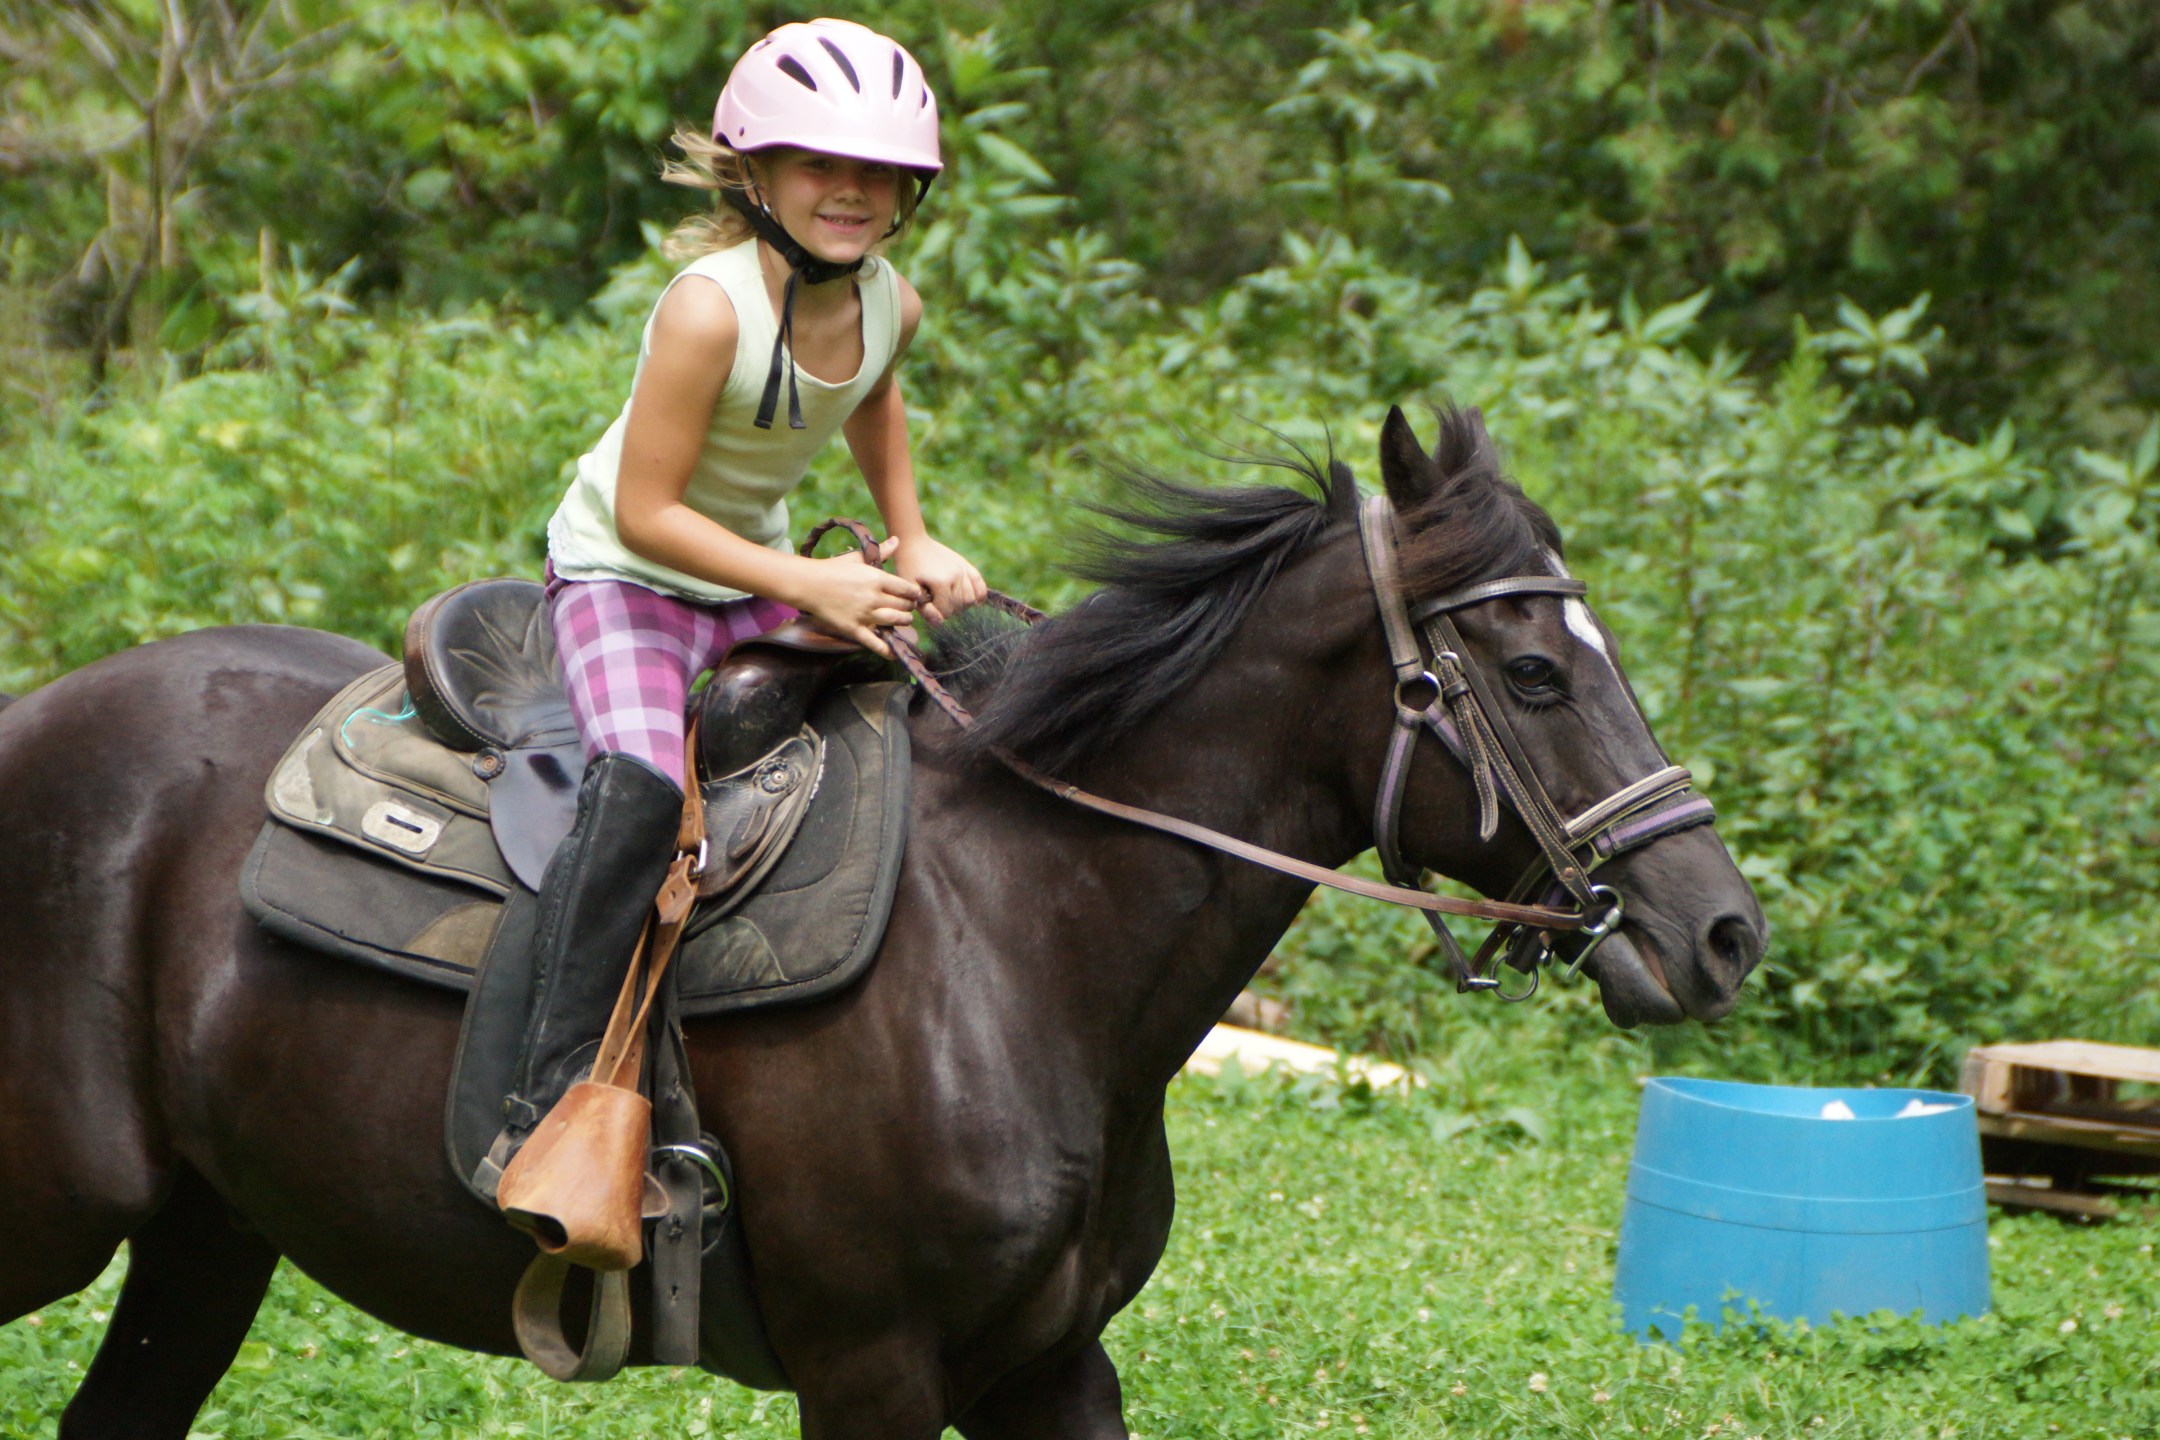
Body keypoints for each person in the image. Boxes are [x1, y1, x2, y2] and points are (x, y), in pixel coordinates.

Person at [483, 17, 983, 1180]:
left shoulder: (887, 304)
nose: (850, 193)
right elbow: (649, 511)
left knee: (941, 694)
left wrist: (910, 533)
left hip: (751, 573)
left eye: (878, 174)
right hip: (631, 580)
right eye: (821, 164)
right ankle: (548, 1094)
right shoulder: (708, 310)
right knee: (647, 791)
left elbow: (870, 394)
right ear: (755, 171)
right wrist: (809, 580)